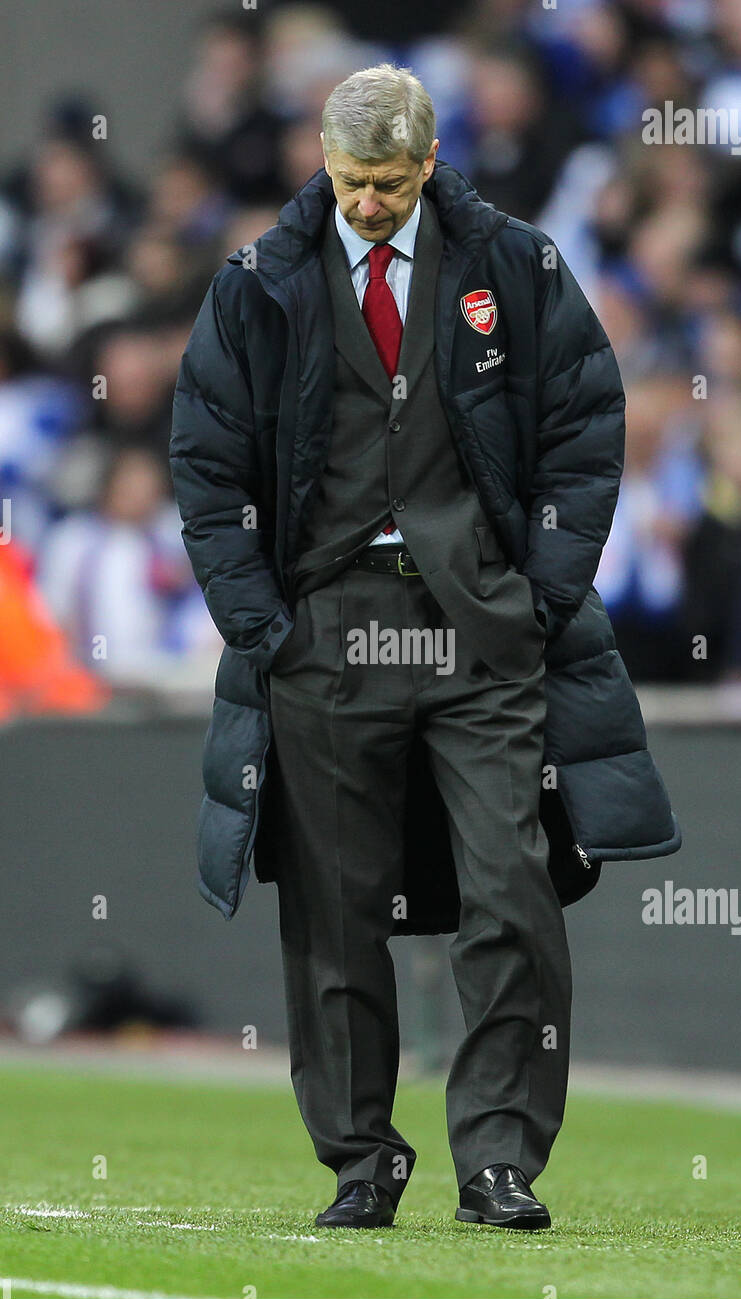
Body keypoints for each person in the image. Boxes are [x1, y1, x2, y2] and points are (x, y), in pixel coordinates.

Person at [170, 63, 680, 1231]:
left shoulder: (519, 265)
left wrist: (542, 594)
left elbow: (585, 425)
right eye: (350, 182)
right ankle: (362, 1158)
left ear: (430, 162)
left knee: (513, 892)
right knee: (335, 912)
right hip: (325, 630)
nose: (366, 204)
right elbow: (205, 468)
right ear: (323, 160)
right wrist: (262, 626)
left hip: (480, 629)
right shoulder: (258, 282)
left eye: (389, 184)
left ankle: (498, 1161)